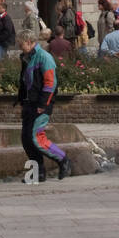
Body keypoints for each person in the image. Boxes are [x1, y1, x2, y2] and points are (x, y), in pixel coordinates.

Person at [14, 28, 71, 180]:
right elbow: (26, 82)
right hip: (29, 103)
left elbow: (50, 83)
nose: (19, 46)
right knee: (26, 139)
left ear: (29, 42)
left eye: (21, 44)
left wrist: (43, 104)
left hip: (41, 104)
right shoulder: (27, 57)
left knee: (36, 137)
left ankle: (63, 159)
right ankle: (37, 173)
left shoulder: (44, 57)